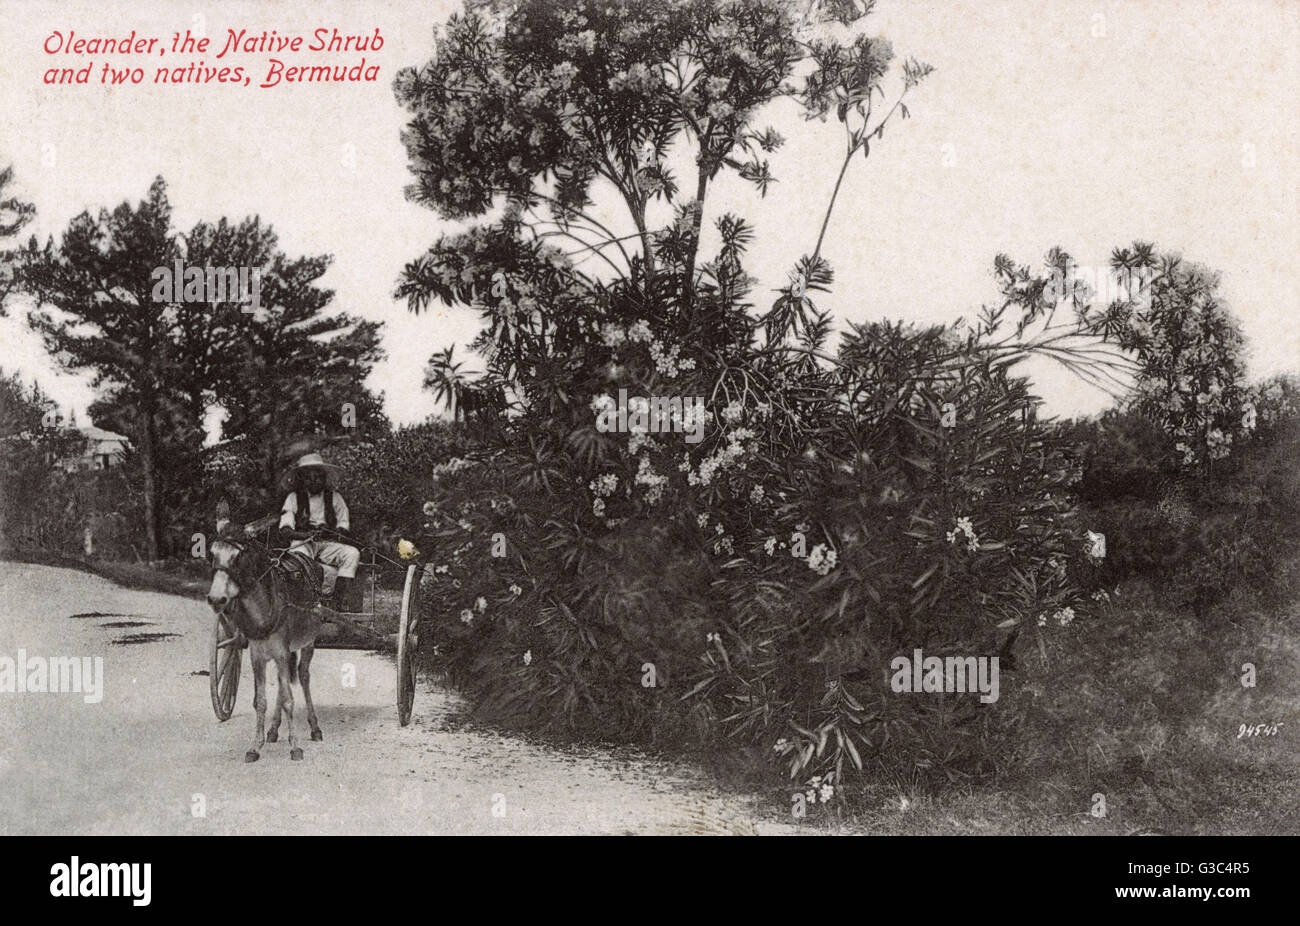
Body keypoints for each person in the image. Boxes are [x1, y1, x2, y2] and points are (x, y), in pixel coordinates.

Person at [278, 452, 362, 611]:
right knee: (298, 559)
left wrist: (332, 532)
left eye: (317, 477)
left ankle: (337, 604)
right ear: (302, 479)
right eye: (309, 477)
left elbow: (344, 524)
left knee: (352, 554)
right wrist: (305, 535)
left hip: (327, 543)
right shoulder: (294, 498)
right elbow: (285, 529)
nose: (314, 481)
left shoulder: (335, 497)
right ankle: (304, 603)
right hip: (303, 542)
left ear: (323, 478)